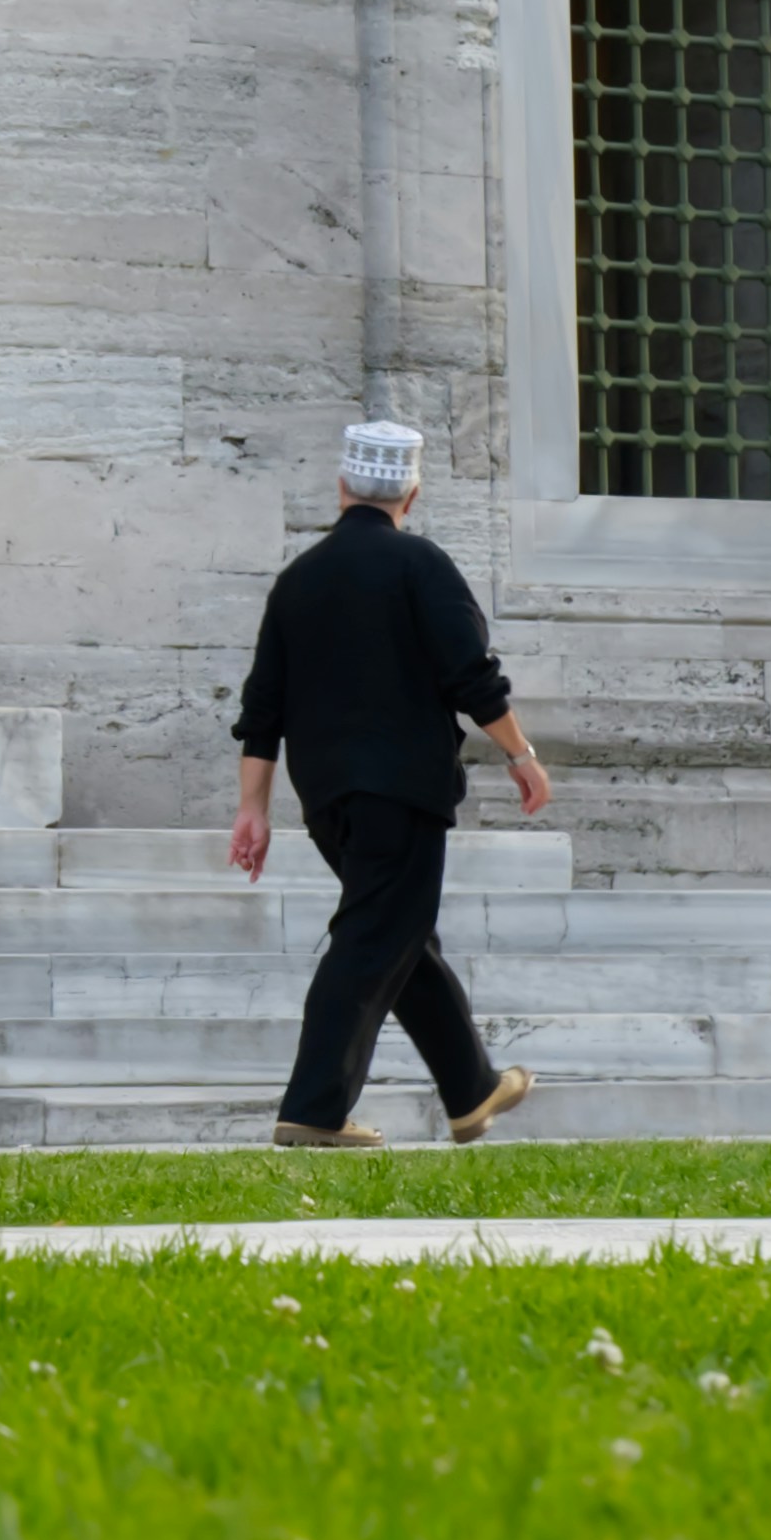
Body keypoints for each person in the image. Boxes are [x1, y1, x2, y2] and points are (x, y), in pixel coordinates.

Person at [230, 417, 552, 1149]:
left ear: (341, 487)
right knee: (373, 937)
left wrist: (252, 811)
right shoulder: (420, 565)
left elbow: (260, 712)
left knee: (400, 934)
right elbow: (470, 674)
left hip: (327, 802)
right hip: (400, 790)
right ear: (411, 491)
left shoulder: (295, 581)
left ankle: (471, 1091)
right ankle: (311, 1109)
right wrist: (520, 754)